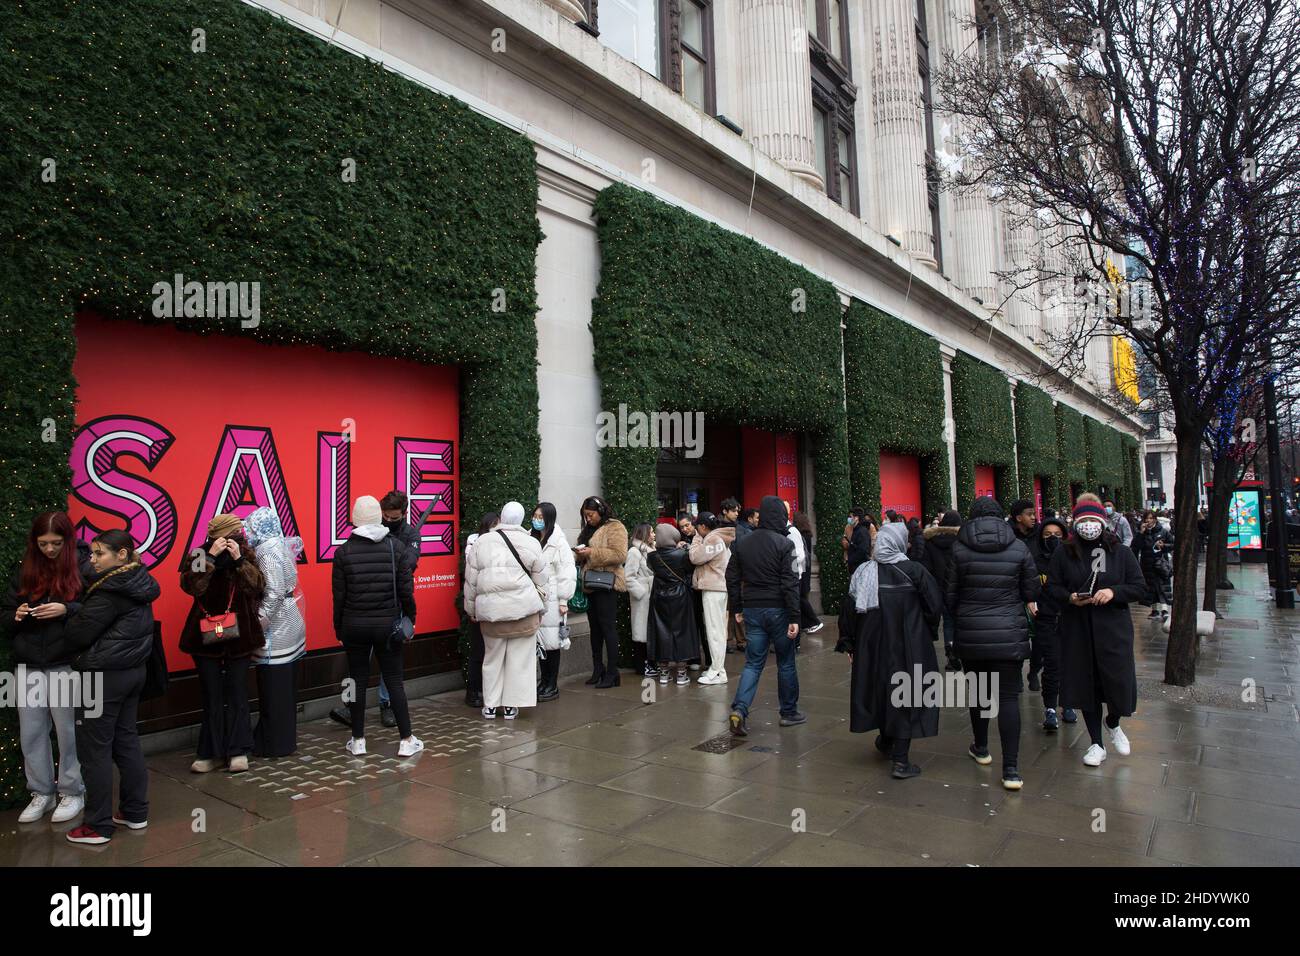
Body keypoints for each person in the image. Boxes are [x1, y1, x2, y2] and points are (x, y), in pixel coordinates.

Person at [61, 529, 159, 845]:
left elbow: (77, 635)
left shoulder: (108, 591)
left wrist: (69, 614)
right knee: (126, 740)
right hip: (132, 673)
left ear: (122, 554)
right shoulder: (138, 581)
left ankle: (98, 826)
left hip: (102, 677)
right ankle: (134, 812)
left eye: (99, 553)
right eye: (91, 552)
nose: (92, 559)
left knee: (94, 751)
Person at [946, 496, 1040, 791]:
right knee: (1009, 699)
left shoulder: (959, 549)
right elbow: (1032, 589)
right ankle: (1011, 769)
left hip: (973, 633)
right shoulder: (1018, 547)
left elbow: (950, 597)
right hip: (1009, 633)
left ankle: (982, 747)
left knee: (979, 692)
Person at [836, 522, 942, 779]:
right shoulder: (914, 570)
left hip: (871, 644)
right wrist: (927, 632)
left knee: (880, 688)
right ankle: (901, 760)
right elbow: (933, 606)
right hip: (909, 643)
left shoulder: (863, 572)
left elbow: (848, 611)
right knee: (906, 693)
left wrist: (849, 643)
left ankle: (885, 739)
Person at [3, 512, 88, 825]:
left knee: (68, 732)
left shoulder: (83, 565)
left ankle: (73, 790)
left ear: (67, 541)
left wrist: (67, 609)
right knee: (32, 732)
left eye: (56, 543)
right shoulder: (25, 568)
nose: (50, 549)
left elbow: (98, 610)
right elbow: (5, 614)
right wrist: (18, 614)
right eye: (43, 543)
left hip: (66, 663)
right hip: (28, 664)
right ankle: (41, 792)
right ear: (34, 543)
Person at [1046, 497, 1143, 767]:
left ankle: (1113, 722)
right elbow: (1052, 588)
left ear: (1102, 522)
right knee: (1086, 686)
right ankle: (1096, 743)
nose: (1089, 526)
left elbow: (1139, 587)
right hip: (1078, 629)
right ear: (1076, 523)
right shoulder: (1063, 553)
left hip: (1113, 630)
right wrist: (1070, 597)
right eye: (1083, 521)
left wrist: (1114, 592)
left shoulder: (1120, 553)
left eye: (1093, 520)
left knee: (1119, 685)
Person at [331, 496, 422, 755]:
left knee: (355, 680)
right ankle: (406, 740)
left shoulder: (343, 552)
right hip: (387, 626)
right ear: (379, 517)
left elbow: (338, 596)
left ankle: (358, 740)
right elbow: (407, 591)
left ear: (355, 519)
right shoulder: (396, 548)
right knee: (394, 681)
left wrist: (339, 629)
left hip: (353, 626)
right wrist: (410, 619)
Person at [180, 513, 267, 773]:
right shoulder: (199, 553)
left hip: (240, 635)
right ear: (218, 535)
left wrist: (239, 559)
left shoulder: (246, 553)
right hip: (206, 637)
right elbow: (191, 586)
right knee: (212, 695)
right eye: (232, 534)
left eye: (238, 534)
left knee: (238, 693)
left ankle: (238, 751)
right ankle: (210, 752)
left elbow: (257, 587)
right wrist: (210, 557)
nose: (238, 538)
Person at [464, 502, 553, 718]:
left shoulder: (481, 542)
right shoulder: (531, 542)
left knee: (492, 658)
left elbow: (471, 581)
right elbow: (542, 581)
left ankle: (491, 704)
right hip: (524, 611)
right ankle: (513, 704)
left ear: (502, 517)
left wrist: (471, 610)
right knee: (520, 659)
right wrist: (543, 609)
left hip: (491, 613)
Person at [726, 495, 802, 735]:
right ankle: (789, 712)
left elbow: (732, 577)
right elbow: (790, 583)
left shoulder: (742, 543)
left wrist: (737, 608)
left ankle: (740, 708)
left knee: (753, 663)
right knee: (786, 662)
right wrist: (795, 617)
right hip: (779, 609)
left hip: (752, 609)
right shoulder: (784, 544)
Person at [244, 507, 306, 758]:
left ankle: (273, 742)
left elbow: (274, 592)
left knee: (273, 689)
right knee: (284, 689)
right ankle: (283, 739)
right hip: (289, 624)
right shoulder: (278, 544)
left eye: (249, 527)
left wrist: (258, 624)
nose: (246, 532)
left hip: (276, 633)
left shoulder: (266, 552)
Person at [573, 496, 628, 689]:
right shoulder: (589, 529)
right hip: (590, 584)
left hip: (607, 583)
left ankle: (613, 672)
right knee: (595, 629)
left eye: (590, 515)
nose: (588, 519)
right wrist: (579, 555)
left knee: (608, 628)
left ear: (601, 511)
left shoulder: (615, 527)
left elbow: (620, 554)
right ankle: (598, 669)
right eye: (585, 516)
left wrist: (592, 553)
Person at [1028, 517, 1073, 731]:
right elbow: (1028, 584)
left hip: (1071, 618)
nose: (1053, 538)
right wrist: (1030, 601)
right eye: (1047, 535)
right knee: (1053, 663)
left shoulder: (1073, 558)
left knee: (1071, 664)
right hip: (1046, 618)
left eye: (1057, 534)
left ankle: (1069, 703)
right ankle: (1051, 708)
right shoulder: (1035, 560)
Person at [646, 522, 701, 685]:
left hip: (659, 598)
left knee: (661, 633)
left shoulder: (652, 557)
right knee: (682, 633)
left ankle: (663, 673)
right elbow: (690, 569)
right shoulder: (682, 555)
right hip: (681, 597)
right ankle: (682, 674)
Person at [532, 501, 576, 702]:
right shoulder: (529, 537)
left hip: (553, 599)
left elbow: (567, 571)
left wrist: (564, 599)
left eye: (541, 517)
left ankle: (552, 684)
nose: (537, 520)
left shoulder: (559, 541)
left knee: (552, 643)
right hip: (535, 599)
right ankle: (544, 682)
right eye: (535, 516)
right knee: (540, 643)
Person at [689, 512, 734, 684]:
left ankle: (717, 671)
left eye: (696, 527)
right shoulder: (721, 538)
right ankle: (718, 669)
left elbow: (695, 557)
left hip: (714, 589)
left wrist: (696, 540)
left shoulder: (713, 539)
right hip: (719, 588)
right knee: (718, 630)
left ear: (702, 527)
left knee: (715, 631)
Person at [462, 512, 497, 708]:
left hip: (495, 605)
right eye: (493, 525)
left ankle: (489, 691)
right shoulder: (474, 542)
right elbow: (472, 575)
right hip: (478, 604)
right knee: (478, 651)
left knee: (493, 651)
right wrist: (471, 608)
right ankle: (473, 690)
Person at [920, 509, 961, 670]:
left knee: (948, 622)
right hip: (959, 588)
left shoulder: (930, 541)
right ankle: (960, 650)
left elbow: (926, 568)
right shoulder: (962, 541)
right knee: (960, 621)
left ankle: (950, 650)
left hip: (939, 588)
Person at [625, 523, 657, 676]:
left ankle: (651, 664)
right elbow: (629, 577)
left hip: (653, 596)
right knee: (641, 633)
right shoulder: (634, 551)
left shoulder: (651, 550)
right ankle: (642, 666)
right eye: (651, 532)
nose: (654, 535)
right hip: (643, 599)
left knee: (650, 631)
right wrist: (642, 591)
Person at [1136, 510, 1174, 622]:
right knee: (1150, 588)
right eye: (1146, 518)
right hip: (1147, 565)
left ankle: (1165, 610)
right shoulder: (1142, 533)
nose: (1148, 520)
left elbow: (1172, 544)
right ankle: (1154, 610)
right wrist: (1140, 533)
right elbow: (1135, 546)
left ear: (1155, 519)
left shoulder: (1163, 532)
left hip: (1160, 564)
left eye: (1151, 518)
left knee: (1162, 587)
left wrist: (1164, 546)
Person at [792, 511, 823, 632]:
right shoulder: (807, 534)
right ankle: (806, 623)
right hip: (806, 568)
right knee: (801, 596)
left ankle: (814, 621)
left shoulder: (800, 535)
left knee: (801, 597)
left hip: (802, 569)